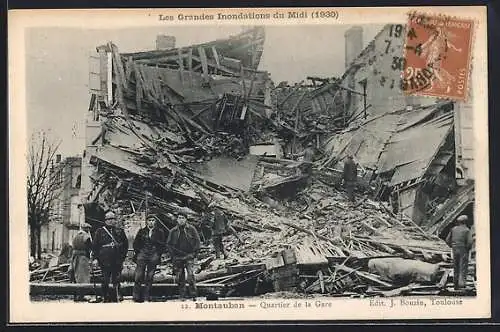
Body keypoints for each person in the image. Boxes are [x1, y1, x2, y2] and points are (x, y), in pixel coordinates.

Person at [92, 211, 128, 303]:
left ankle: (117, 295)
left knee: (117, 279)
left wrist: (122, 257)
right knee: (105, 279)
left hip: (117, 259)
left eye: (113, 219)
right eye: (109, 219)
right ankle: (105, 296)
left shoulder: (120, 231)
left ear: (115, 220)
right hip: (104, 259)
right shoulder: (99, 232)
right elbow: (95, 246)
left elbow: (125, 246)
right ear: (105, 220)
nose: (111, 221)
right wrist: (95, 258)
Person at [132, 214, 166, 302]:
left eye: (153, 220)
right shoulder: (141, 231)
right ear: (146, 221)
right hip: (142, 255)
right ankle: (136, 296)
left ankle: (147, 296)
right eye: (149, 220)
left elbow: (163, 245)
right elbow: (135, 243)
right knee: (138, 276)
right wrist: (139, 252)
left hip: (153, 255)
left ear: (155, 222)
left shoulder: (159, 232)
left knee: (150, 276)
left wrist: (158, 254)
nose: (151, 222)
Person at [166, 214, 201, 300]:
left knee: (190, 275)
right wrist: (173, 256)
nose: (181, 220)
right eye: (179, 218)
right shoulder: (173, 231)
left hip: (189, 256)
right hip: (178, 257)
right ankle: (182, 295)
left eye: (183, 218)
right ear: (177, 220)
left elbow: (197, 241)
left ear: (186, 220)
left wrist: (194, 254)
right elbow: (169, 244)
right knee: (180, 277)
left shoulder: (191, 229)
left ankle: (193, 295)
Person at [446, 215, 473, 290]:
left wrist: (453, 246)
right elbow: (470, 242)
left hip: (455, 249)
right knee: (463, 267)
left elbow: (447, 240)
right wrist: (467, 248)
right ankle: (462, 285)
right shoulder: (467, 230)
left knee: (456, 267)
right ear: (465, 222)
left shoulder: (453, 229)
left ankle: (456, 285)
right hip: (463, 250)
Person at [69, 223, 93, 302]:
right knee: (84, 276)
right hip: (83, 258)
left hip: (75, 257)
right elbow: (90, 247)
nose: (89, 230)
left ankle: (77, 295)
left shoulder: (75, 236)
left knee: (76, 275)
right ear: (86, 229)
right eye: (88, 229)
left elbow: (73, 247)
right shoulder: (86, 237)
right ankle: (84, 294)